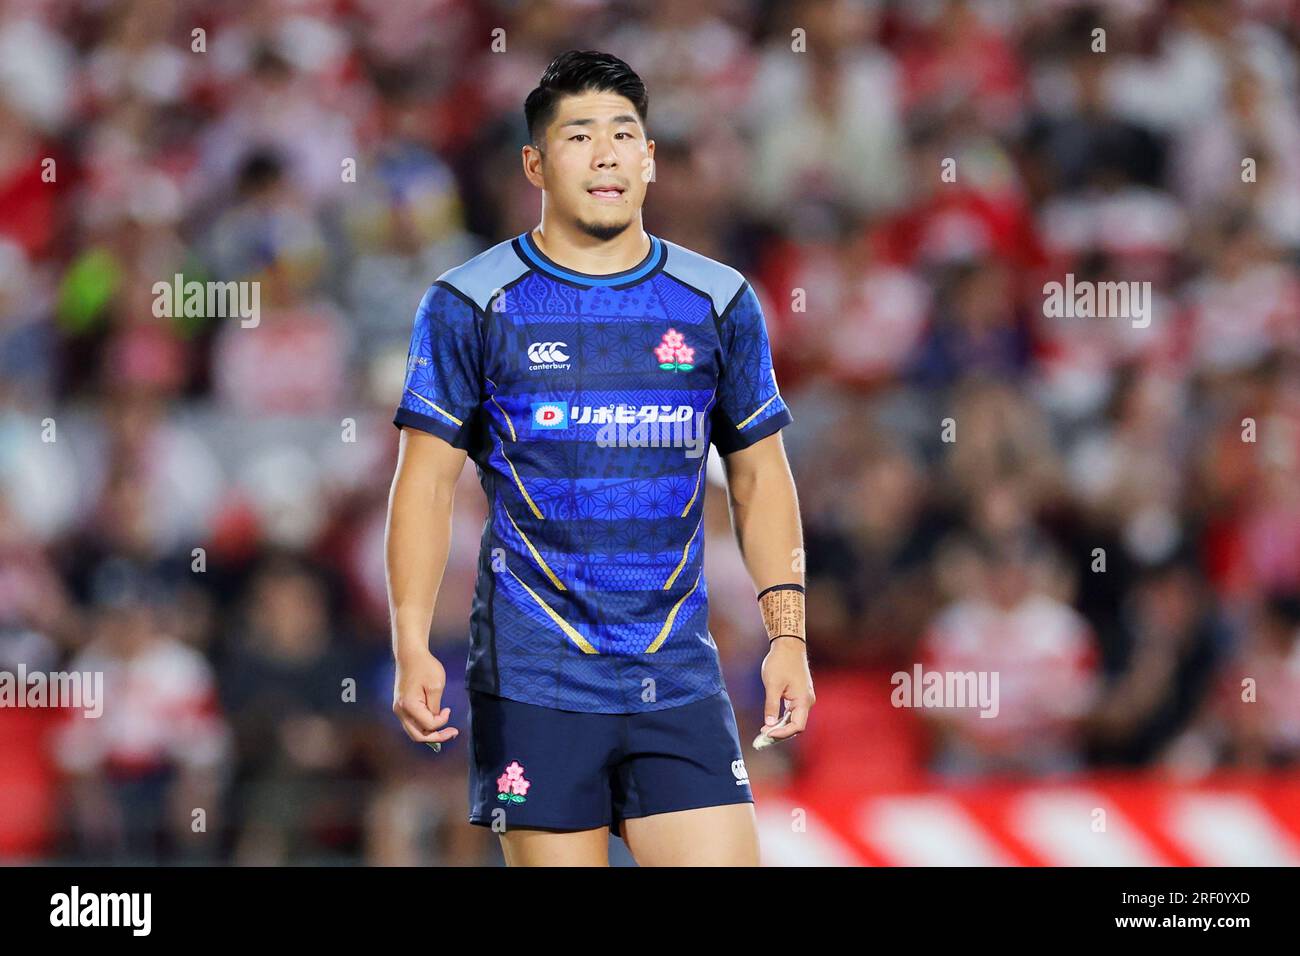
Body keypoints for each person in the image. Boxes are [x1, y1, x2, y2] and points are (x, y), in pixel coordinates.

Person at [384, 50, 812, 866]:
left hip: (675, 670)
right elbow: (425, 487)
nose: (608, 153)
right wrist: (411, 641)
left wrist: (786, 634)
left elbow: (759, 476)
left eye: (625, 134)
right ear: (535, 164)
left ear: (650, 160)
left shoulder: (717, 300)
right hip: (536, 677)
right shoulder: (470, 302)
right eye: (580, 136)